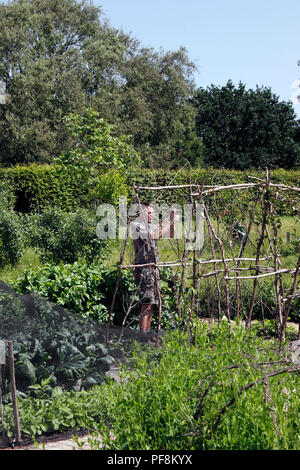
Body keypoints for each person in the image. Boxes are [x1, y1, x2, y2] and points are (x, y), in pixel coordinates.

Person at [130, 202, 180, 331]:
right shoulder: (136, 225)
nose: (152, 215)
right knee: (146, 302)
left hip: (152, 268)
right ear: (141, 213)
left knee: (151, 303)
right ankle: (143, 334)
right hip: (144, 268)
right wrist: (168, 222)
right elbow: (153, 237)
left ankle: (146, 333)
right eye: (149, 212)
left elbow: (170, 234)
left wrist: (172, 221)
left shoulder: (151, 225)